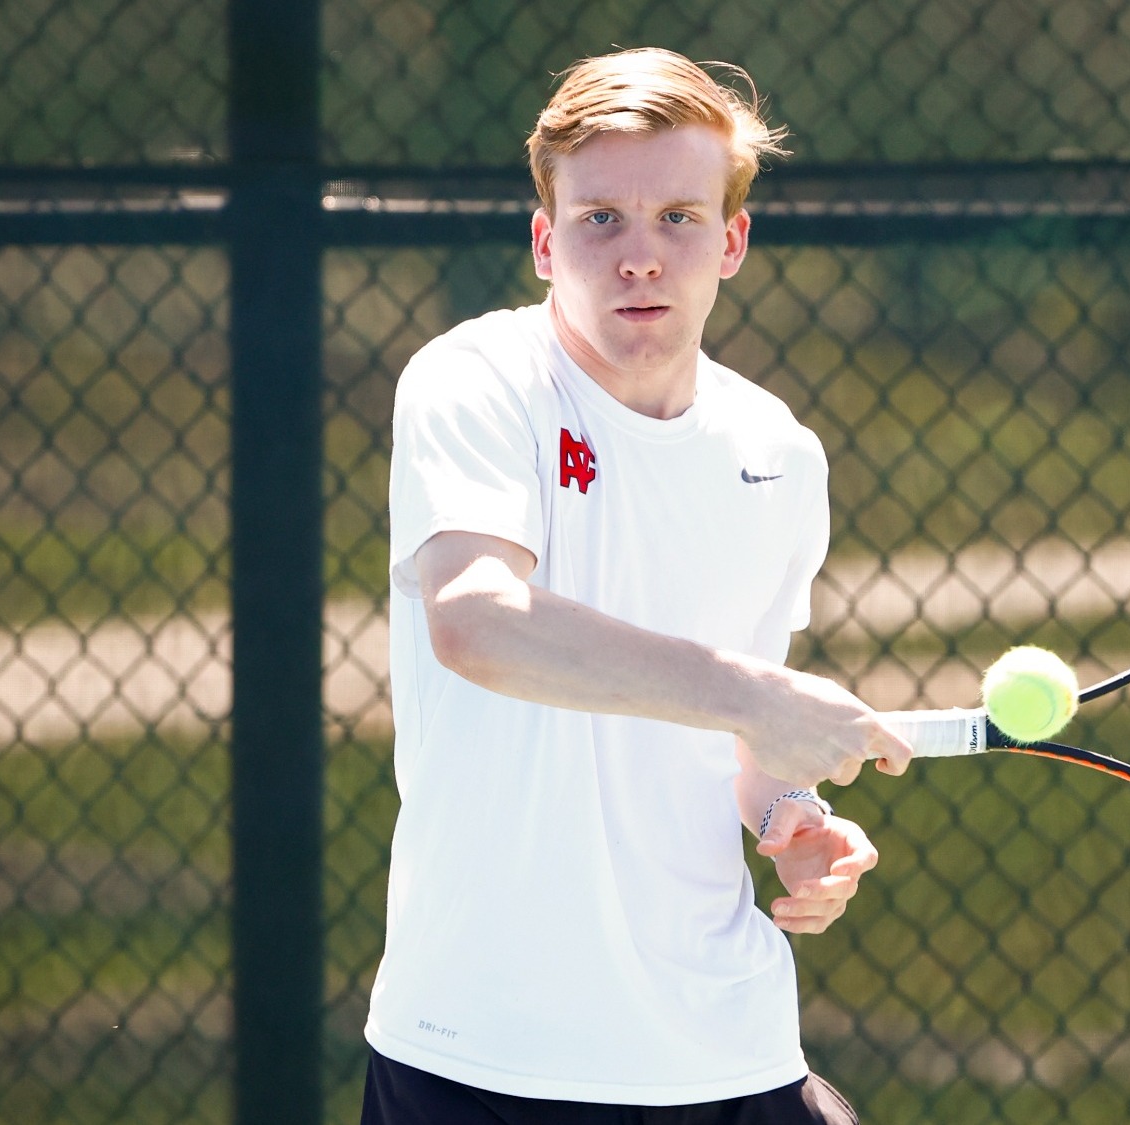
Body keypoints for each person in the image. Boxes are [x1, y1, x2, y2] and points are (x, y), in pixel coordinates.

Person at [361, 47, 913, 1125]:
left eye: (678, 217)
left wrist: (790, 815)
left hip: (726, 1047)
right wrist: (751, 702)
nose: (640, 257)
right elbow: (476, 622)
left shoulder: (777, 453)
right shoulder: (474, 383)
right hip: (481, 1059)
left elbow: (737, 738)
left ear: (731, 239)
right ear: (542, 241)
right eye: (600, 219)